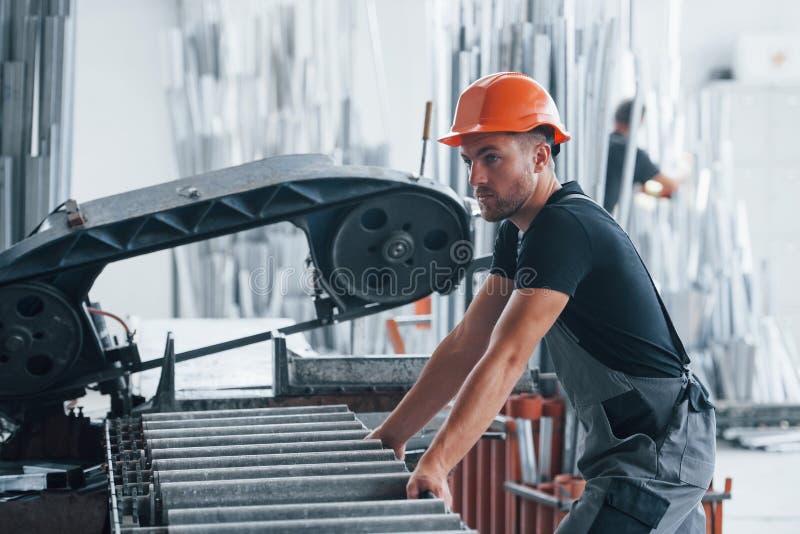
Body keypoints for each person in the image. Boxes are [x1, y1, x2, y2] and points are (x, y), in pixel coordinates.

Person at [367, 72, 715, 533]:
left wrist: (437, 463)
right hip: (639, 442)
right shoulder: (518, 232)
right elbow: (469, 340)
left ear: (540, 156)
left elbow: (508, 356)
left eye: (491, 157)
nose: (476, 178)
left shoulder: (562, 228)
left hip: (656, 450)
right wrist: (392, 436)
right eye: (470, 160)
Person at [603, 98, 680, 213]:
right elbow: (670, 188)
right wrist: (644, 189)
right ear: (639, 121)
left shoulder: (601, 144)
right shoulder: (630, 153)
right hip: (599, 218)